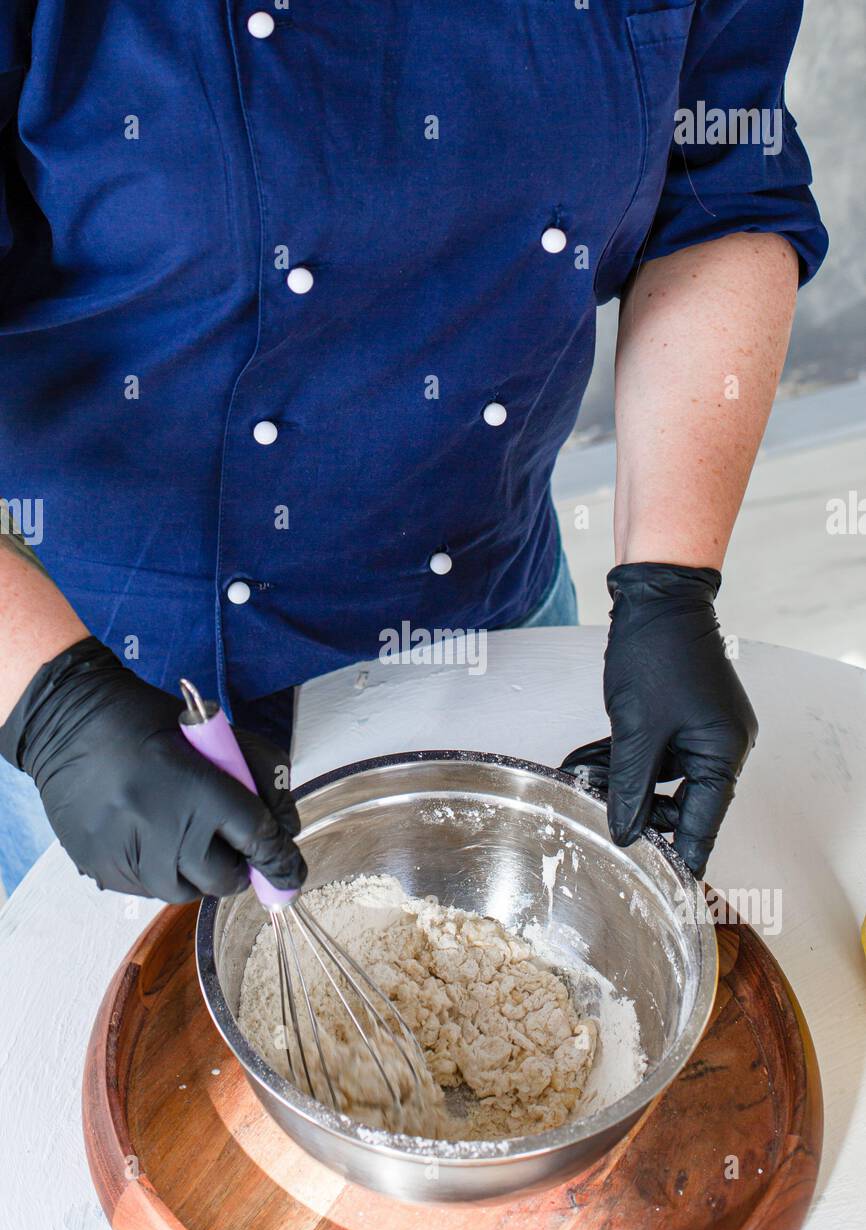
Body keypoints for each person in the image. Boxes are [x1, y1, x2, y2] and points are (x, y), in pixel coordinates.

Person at [0, 2, 826, 901]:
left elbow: (719, 201)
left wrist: (669, 580)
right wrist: (54, 707)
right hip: (105, 687)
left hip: (492, 610)